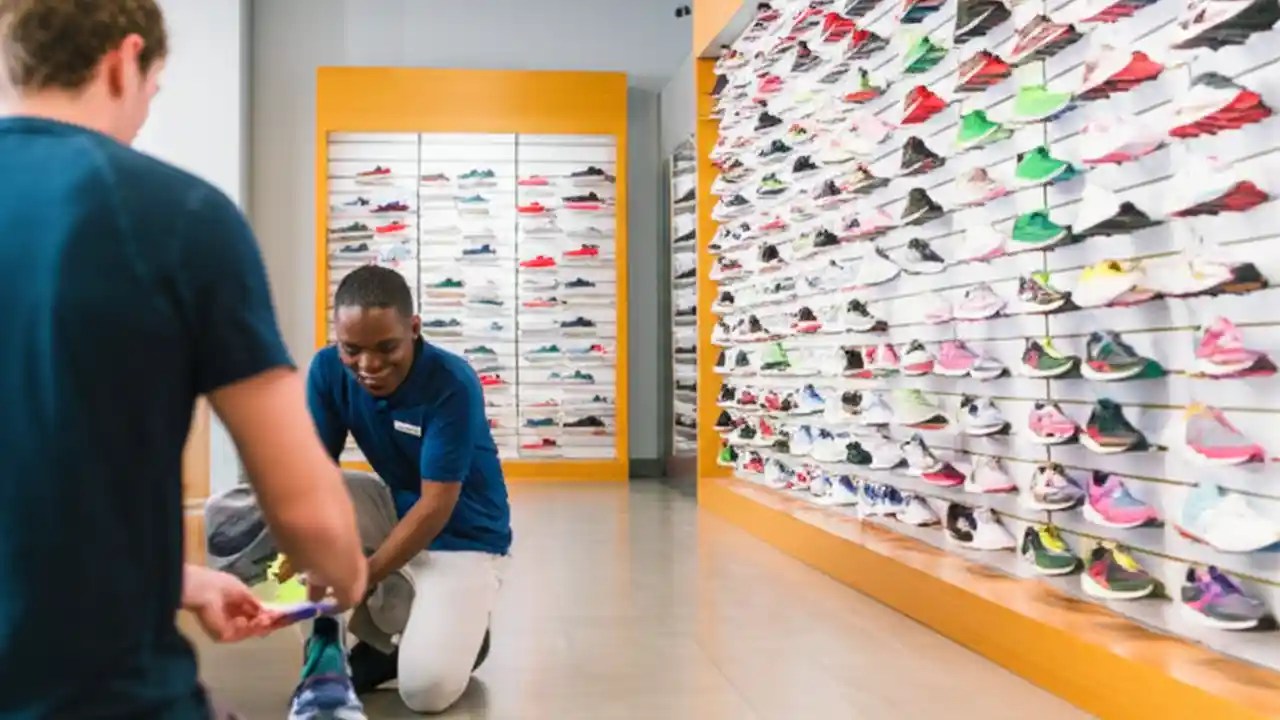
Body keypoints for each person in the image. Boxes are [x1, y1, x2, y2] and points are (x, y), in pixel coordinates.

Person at [0, 1, 367, 717]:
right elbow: (309, 515)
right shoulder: (179, 216)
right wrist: (346, 577)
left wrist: (181, 580)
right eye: (153, 89)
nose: (141, 116)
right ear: (124, 59)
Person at [207, 265, 513, 716]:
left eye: (387, 347)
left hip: (463, 536)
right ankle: (324, 646)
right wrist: (292, 553)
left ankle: (464, 639)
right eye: (353, 349)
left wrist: (362, 575)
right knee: (255, 512)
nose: (368, 366)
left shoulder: (452, 383)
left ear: (413, 328)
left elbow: (436, 506)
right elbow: (314, 472)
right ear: (337, 339)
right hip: (392, 506)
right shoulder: (329, 370)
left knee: (426, 692)